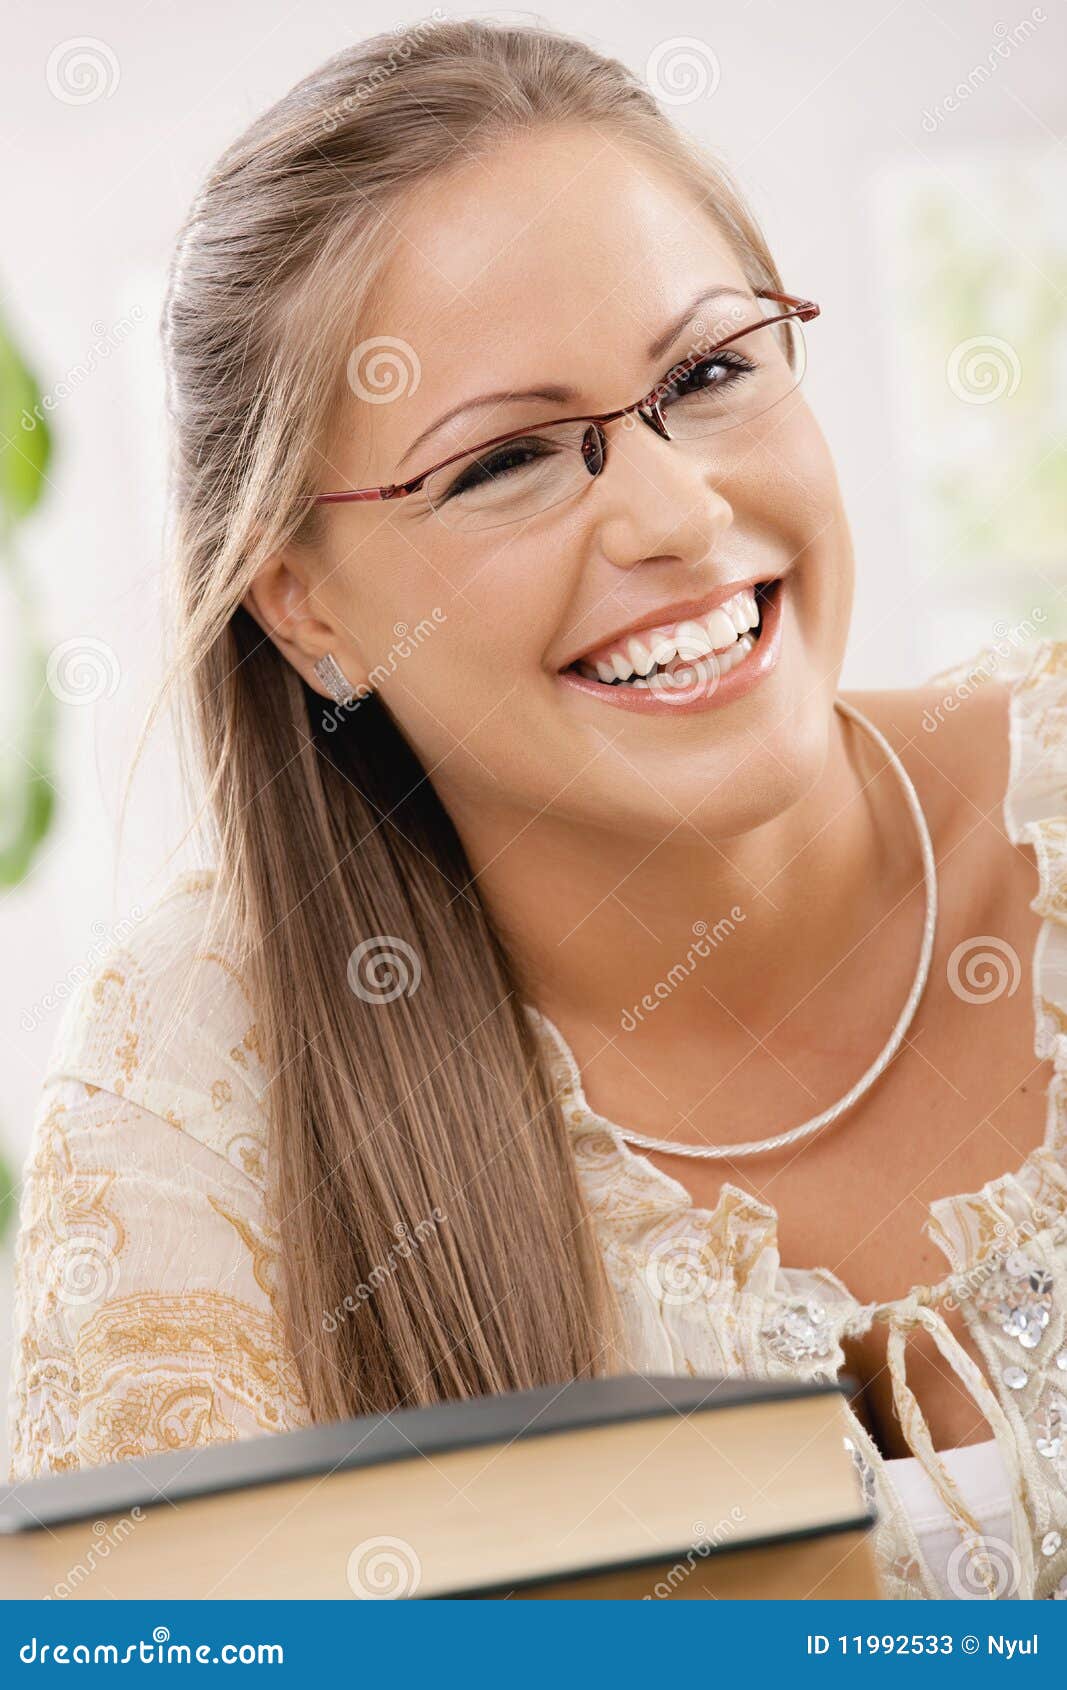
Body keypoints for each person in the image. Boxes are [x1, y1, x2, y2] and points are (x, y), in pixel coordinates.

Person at [8, 19, 1067, 1600]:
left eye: (708, 372)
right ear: (305, 610)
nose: (674, 511)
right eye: (504, 462)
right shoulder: (204, 1081)